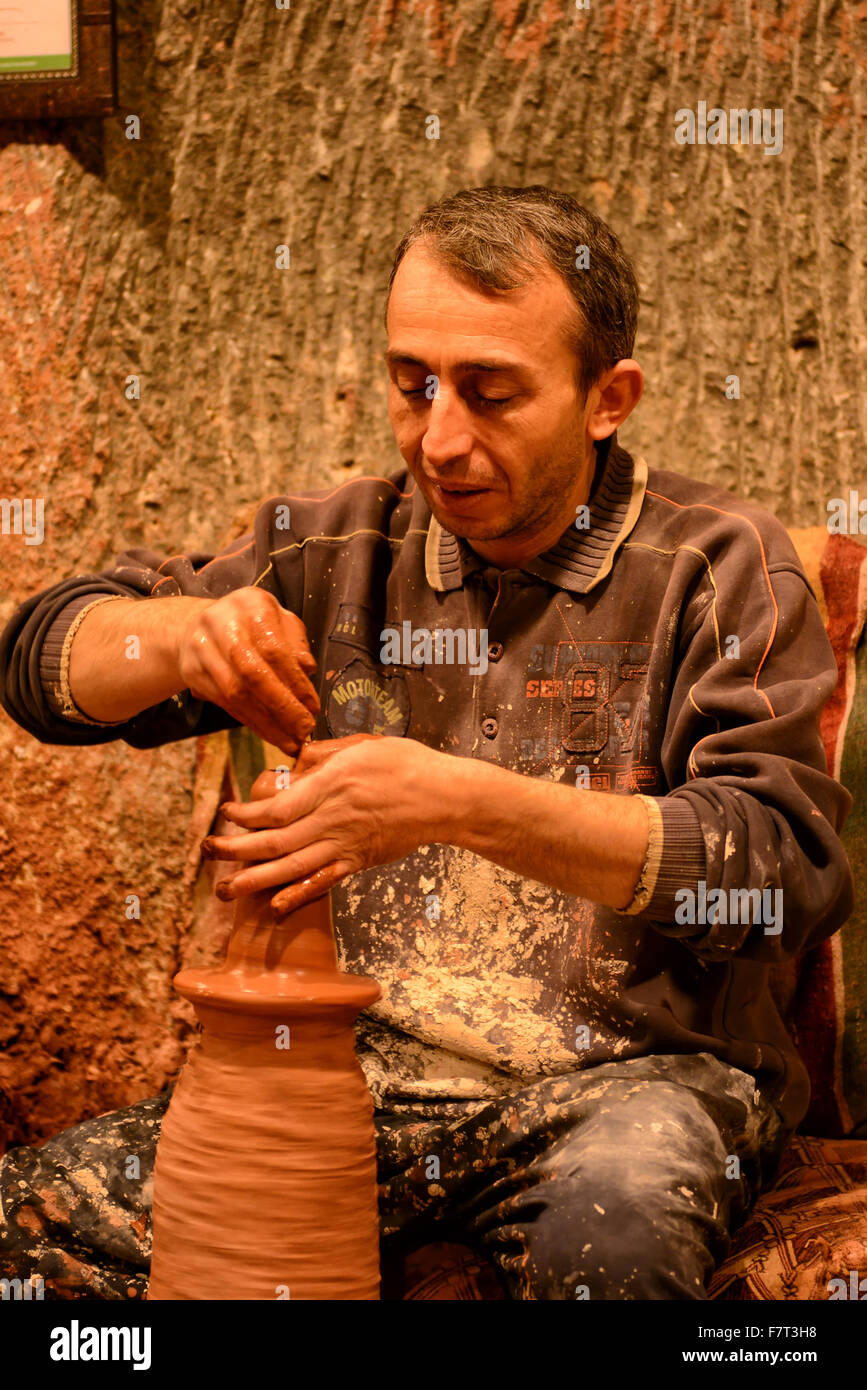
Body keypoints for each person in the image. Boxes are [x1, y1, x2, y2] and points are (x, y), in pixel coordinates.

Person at [0, 185, 853, 1301]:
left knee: (616, 1239)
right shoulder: (334, 546)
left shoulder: (719, 568)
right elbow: (37, 668)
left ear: (610, 397)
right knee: (24, 1229)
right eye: (413, 385)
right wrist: (174, 637)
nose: (439, 439)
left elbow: (781, 875)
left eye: (491, 393)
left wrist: (461, 803)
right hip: (360, 1075)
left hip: (639, 1081)